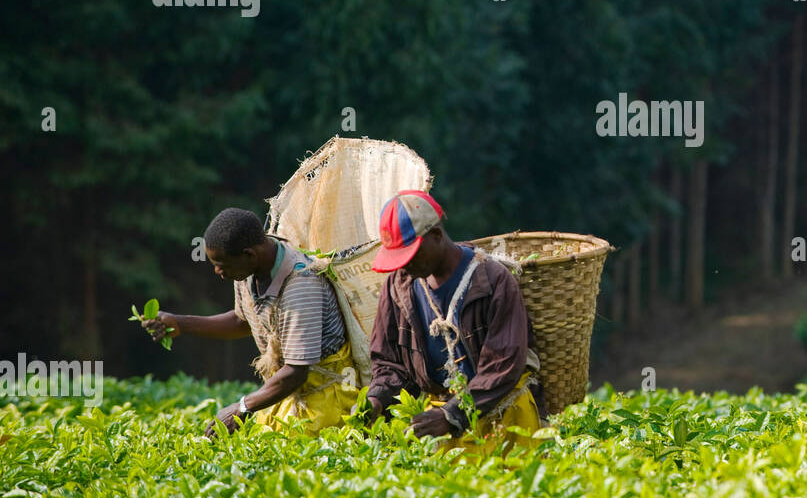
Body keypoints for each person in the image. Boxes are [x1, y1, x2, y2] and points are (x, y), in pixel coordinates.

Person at [141, 207, 362, 437]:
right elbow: (242, 320)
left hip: (323, 401)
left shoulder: (301, 285)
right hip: (284, 394)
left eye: (222, 265)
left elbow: (296, 372)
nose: (218, 271)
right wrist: (181, 323)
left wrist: (241, 407)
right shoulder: (247, 272)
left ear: (249, 255)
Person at [364, 190, 544, 452]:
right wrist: (377, 398)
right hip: (439, 420)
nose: (403, 267)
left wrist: (452, 415)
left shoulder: (492, 280)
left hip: (504, 415)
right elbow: (389, 362)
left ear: (435, 236)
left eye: (409, 256)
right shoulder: (398, 286)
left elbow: (502, 365)